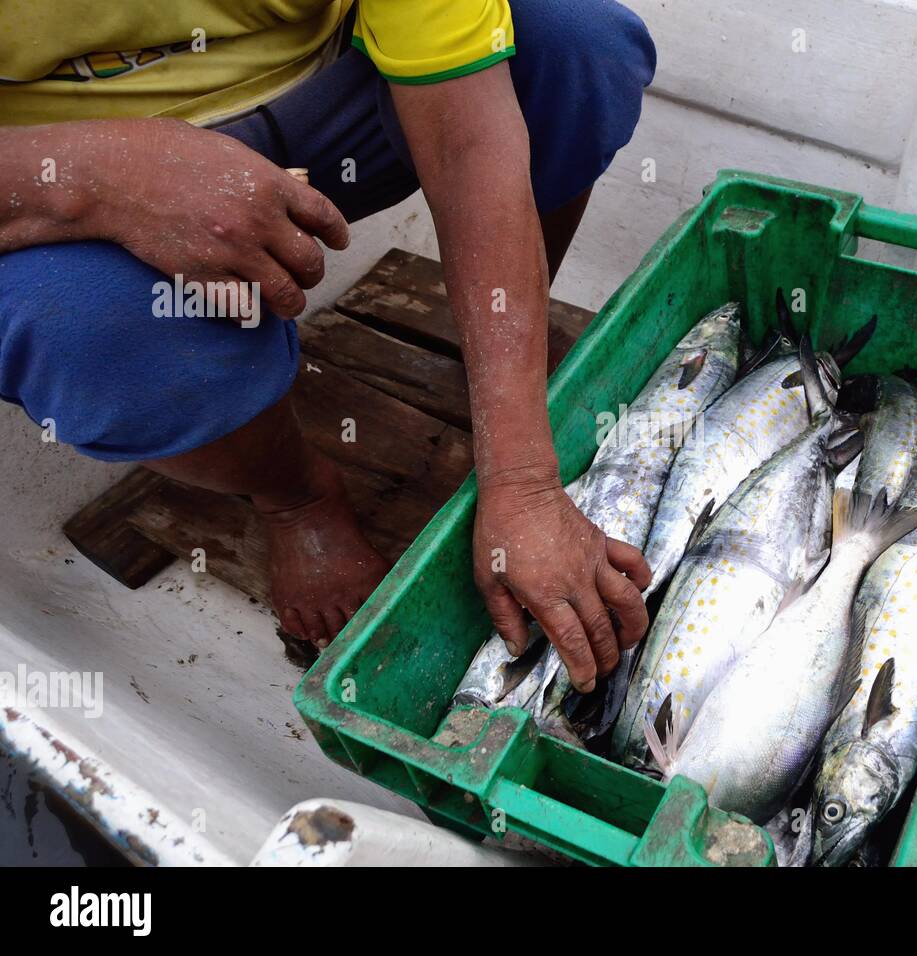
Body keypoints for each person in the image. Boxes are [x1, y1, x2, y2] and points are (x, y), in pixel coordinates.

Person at [0, 0, 656, 693]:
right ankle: (296, 499)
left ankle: (488, 357)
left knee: (576, 45)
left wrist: (521, 482)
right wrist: (99, 180)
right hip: (41, 164)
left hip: (317, 93)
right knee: (91, 328)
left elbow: (469, 138)